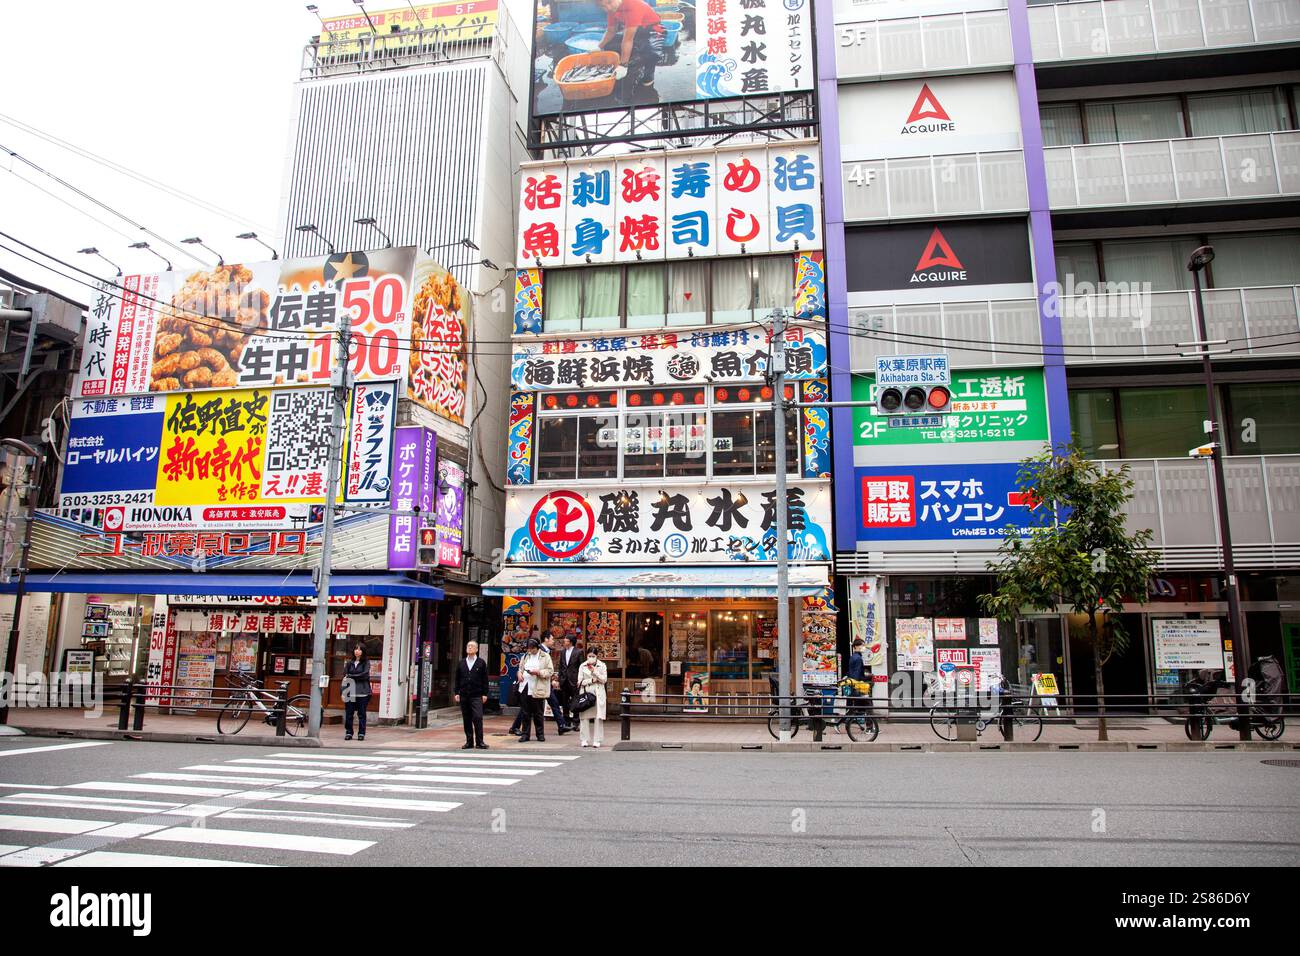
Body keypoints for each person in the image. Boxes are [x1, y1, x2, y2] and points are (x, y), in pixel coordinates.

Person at [598, 0, 664, 89]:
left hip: (653, 30)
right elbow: (611, 31)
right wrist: (599, 47)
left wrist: (623, 65)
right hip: (635, 30)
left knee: (650, 52)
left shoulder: (633, 5)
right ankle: (633, 60)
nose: (608, 8)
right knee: (609, 45)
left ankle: (648, 73)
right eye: (603, 6)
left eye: (610, 2)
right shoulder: (612, 10)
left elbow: (628, 40)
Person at [454, 640, 490, 750]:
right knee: (466, 718)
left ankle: (480, 741)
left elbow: (485, 679)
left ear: (476, 649)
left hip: (477, 695)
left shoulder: (481, 662)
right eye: (468, 646)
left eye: (472, 646)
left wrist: (485, 693)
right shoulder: (461, 663)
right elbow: (457, 679)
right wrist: (456, 692)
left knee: (478, 717)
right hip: (464, 694)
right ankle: (469, 742)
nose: (469, 648)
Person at [517, 637, 554, 742]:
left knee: (538, 712)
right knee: (525, 712)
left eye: (532, 648)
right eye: (529, 648)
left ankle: (540, 734)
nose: (530, 650)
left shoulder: (545, 656)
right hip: (525, 685)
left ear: (537, 647)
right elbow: (520, 668)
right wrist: (519, 674)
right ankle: (525, 734)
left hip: (537, 686)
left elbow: (550, 671)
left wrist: (538, 672)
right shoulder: (525, 656)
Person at [576, 647, 608, 748]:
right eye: (589, 656)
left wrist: (594, 671)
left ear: (597, 656)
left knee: (598, 717)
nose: (591, 658)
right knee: (584, 717)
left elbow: (604, 679)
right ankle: (584, 739)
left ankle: (597, 740)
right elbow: (579, 682)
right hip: (586, 693)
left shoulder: (602, 665)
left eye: (593, 656)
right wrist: (592, 680)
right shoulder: (582, 666)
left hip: (598, 693)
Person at [542, 630, 571, 735]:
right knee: (529, 706)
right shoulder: (540, 650)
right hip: (540, 684)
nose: (553, 641)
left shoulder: (547, 651)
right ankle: (515, 726)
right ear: (546, 639)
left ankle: (561, 725)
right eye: (551, 639)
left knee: (554, 703)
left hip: (546, 683)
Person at [343, 643, 371, 741]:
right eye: (356, 649)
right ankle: (349, 732)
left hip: (362, 692)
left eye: (359, 649)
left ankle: (361, 733)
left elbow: (365, 675)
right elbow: (345, 676)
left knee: (361, 714)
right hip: (350, 691)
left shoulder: (366, 663)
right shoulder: (349, 663)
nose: (357, 651)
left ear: (363, 651)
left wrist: (351, 676)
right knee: (349, 713)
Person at [556, 634, 582, 727]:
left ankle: (576, 722)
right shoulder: (562, 652)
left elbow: (581, 666)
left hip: (574, 680)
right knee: (564, 701)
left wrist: (580, 679)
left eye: (566, 641)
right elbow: (561, 667)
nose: (564, 642)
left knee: (575, 700)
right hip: (564, 680)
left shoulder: (578, 652)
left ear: (570, 642)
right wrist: (559, 679)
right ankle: (566, 721)